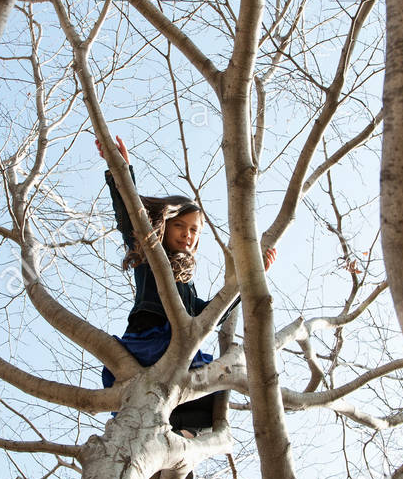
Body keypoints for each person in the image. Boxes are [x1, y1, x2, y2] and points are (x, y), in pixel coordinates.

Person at [97, 135, 275, 437]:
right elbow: (129, 215)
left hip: (179, 358)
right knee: (145, 391)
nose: (187, 235)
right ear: (165, 225)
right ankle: (154, 432)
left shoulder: (186, 282)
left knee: (217, 393)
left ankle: (174, 442)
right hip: (148, 342)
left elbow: (211, 314)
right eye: (180, 226)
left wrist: (251, 277)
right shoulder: (148, 252)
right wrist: (121, 170)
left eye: (194, 230)